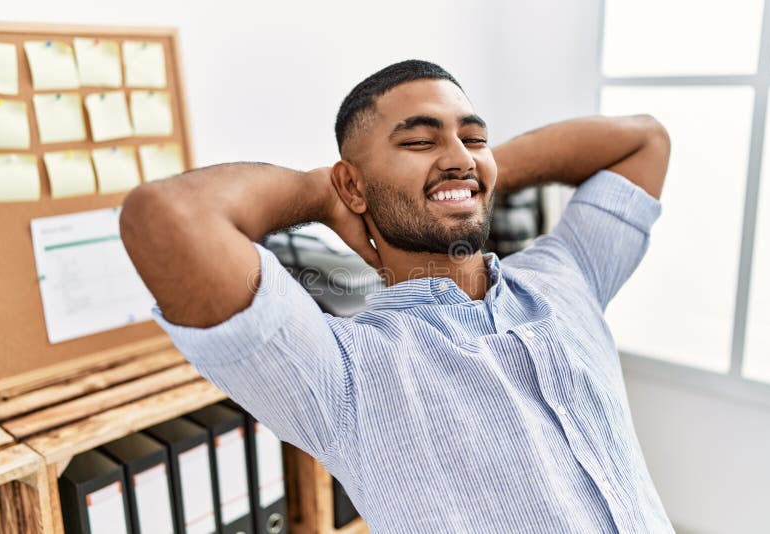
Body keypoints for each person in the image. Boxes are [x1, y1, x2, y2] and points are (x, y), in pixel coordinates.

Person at [120, 59, 673, 533]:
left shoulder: (565, 276)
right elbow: (169, 218)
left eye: (473, 136)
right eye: (418, 141)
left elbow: (645, 140)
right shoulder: (344, 375)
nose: (458, 153)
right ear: (354, 184)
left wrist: (471, 173)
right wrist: (325, 194)